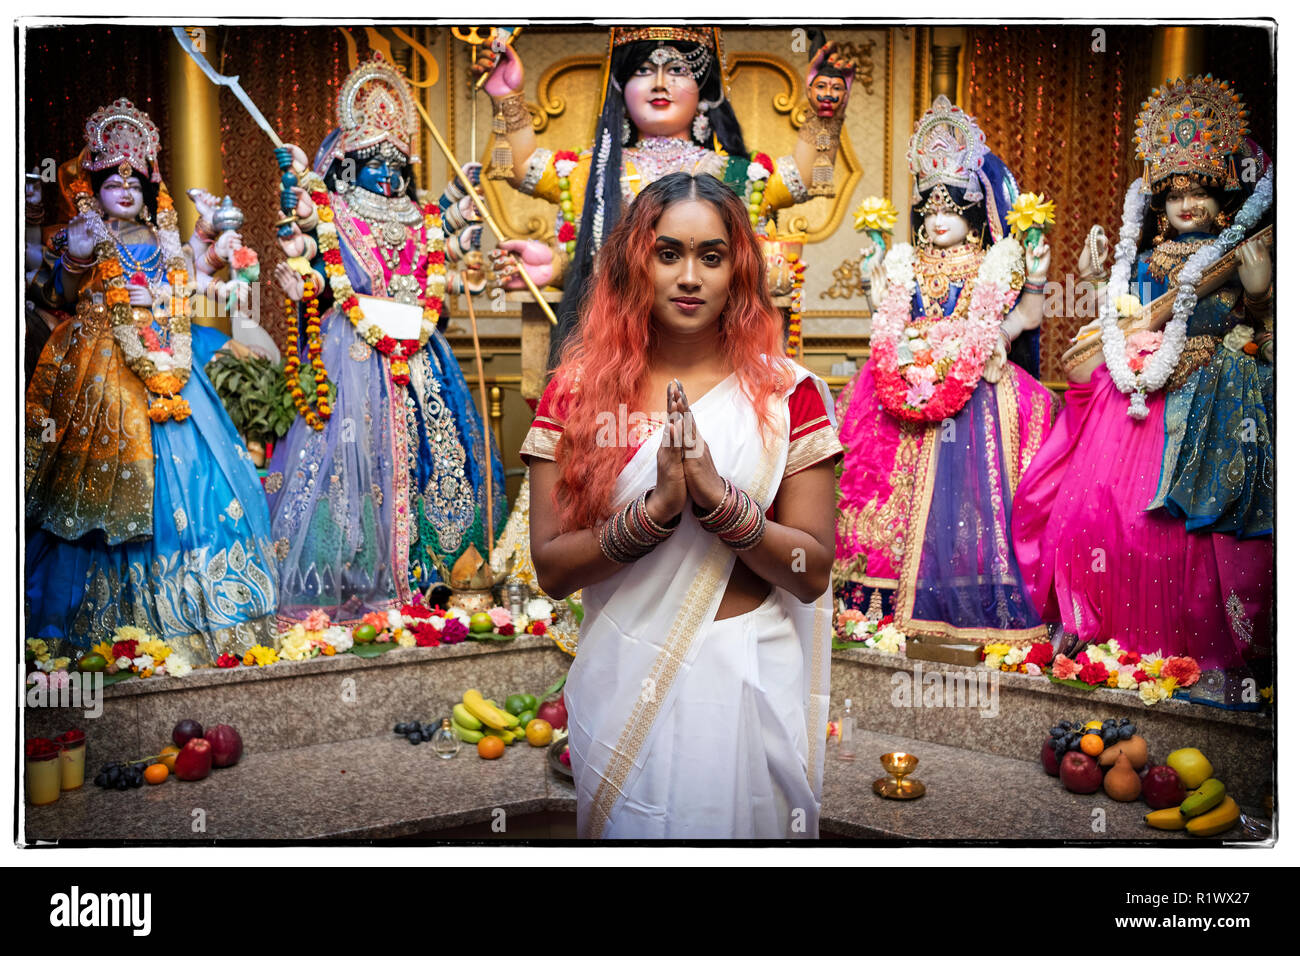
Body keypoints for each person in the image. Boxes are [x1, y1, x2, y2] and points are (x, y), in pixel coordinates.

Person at [522, 172, 841, 839]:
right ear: (637, 263)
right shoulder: (578, 393)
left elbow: (811, 573)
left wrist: (721, 502)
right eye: (668, 254)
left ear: (739, 270)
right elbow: (552, 570)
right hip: (627, 671)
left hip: (745, 672)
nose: (690, 275)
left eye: (712, 256)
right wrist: (657, 512)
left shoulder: (791, 395)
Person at [1011, 75, 1273, 704]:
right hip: (1134, 389)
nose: (1187, 204)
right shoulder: (1150, 257)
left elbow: (1260, 299)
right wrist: (1103, 278)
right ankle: (1097, 632)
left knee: (1178, 532)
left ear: (1224, 199)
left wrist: (1256, 271)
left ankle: (1190, 650)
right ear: (1158, 202)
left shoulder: (1240, 251)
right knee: (1091, 512)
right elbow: (1124, 313)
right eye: (1176, 193)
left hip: (1214, 388)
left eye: (1202, 191)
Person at [25, 98, 278, 663]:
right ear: (92, 183)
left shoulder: (163, 241)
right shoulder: (78, 235)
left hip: (168, 371)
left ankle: (204, 618)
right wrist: (75, 262)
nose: (125, 186)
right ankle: (107, 628)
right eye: (112, 178)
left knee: (206, 484)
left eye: (135, 180)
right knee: (98, 497)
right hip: (100, 375)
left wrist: (197, 254)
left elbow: (186, 288)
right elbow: (55, 297)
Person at [267, 55, 511, 620]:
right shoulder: (332, 211)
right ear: (347, 165)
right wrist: (294, 182)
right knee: (351, 469)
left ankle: (439, 578)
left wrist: (459, 213)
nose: (387, 171)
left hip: (424, 356)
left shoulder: (421, 216)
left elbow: (445, 260)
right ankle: (359, 586)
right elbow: (302, 228)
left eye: (397, 161)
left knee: (441, 459)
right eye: (373, 161)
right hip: (353, 352)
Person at [474, 25, 854, 354]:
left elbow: (804, 179)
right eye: (643, 70)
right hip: (611, 348)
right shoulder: (587, 172)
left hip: (715, 349)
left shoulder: (739, 175)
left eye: (677, 70)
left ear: (703, 90)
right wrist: (506, 96)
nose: (659, 83)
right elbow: (521, 169)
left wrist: (826, 110)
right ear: (622, 88)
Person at [833, 95, 1055, 642]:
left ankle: (961, 601)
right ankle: (872, 605)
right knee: (881, 493)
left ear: (974, 213)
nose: (938, 220)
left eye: (950, 209)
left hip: (976, 384)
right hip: (900, 381)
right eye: (929, 210)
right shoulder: (905, 261)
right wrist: (873, 287)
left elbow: (1026, 315)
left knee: (967, 507)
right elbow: (886, 321)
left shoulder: (994, 261)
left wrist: (1031, 283)